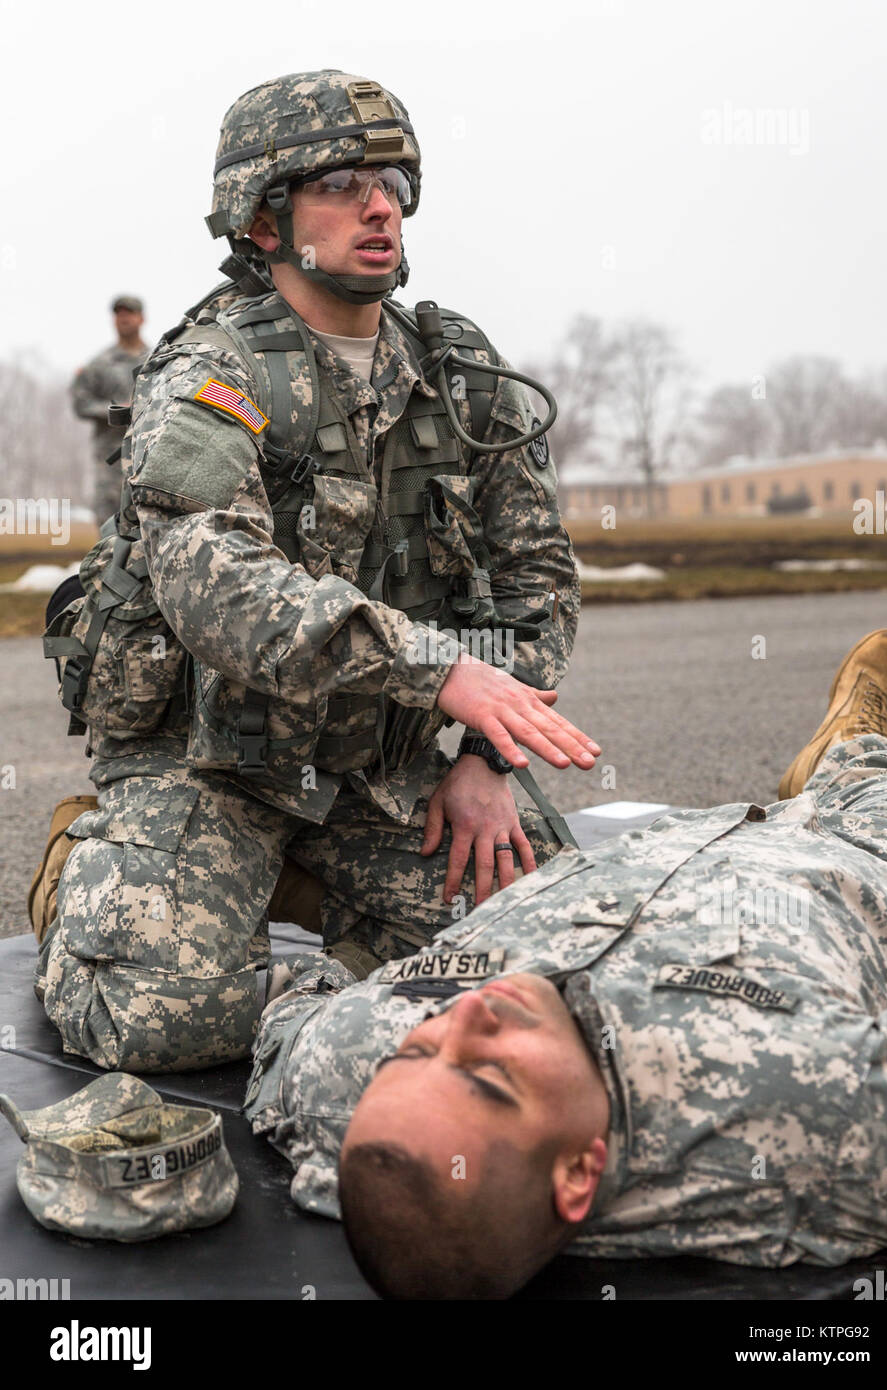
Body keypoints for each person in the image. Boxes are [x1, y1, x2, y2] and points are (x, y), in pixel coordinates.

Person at [33, 70, 596, 1073]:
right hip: (215, 759)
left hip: (379, 767)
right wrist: (436, 668)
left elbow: (535, 575)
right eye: (339, 182)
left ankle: (321, 901)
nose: (379, 205)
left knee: (559, 963)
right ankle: (95, 862)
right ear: (261, 221)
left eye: (391, 181)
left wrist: (483, 760)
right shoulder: (210, 373)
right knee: (163, 1022)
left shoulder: (456, 372)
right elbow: (214, 581)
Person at [243, 628, 887, 1298]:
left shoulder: (350, 1081)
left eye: (420, 1049)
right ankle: (856, 752)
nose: (469, 1013)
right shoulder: (821, 1114)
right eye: (492, 1071)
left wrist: (350, 958)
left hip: (671, 845)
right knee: (884, 783)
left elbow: (292, 1032)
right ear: (577, 1175)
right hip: (863, 856)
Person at [70, 296, 148, 526]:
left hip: (146, 453)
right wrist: (114, 411)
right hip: (110, 458)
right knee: (108, 520)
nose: (124, 318)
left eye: (129, 313)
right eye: (119, 314)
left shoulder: (157, 359)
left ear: (141, 318)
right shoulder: (99, 364)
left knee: (147, 515)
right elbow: (81, 403)